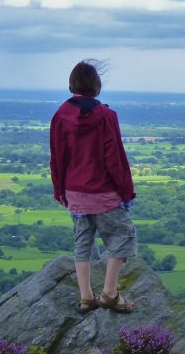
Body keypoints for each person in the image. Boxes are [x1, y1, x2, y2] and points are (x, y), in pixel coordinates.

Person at [49, 60, 138, 313]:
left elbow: (57, 157)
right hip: (102, 192)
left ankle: (86, 297)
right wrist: (126, 192)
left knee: (83, 242)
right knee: (123, 235)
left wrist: (59, 190)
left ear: (72, 84)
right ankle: (110, 293)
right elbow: (115, 158)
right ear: (96, 85)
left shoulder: (60, 116)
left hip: (75, 192)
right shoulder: (106, 116)